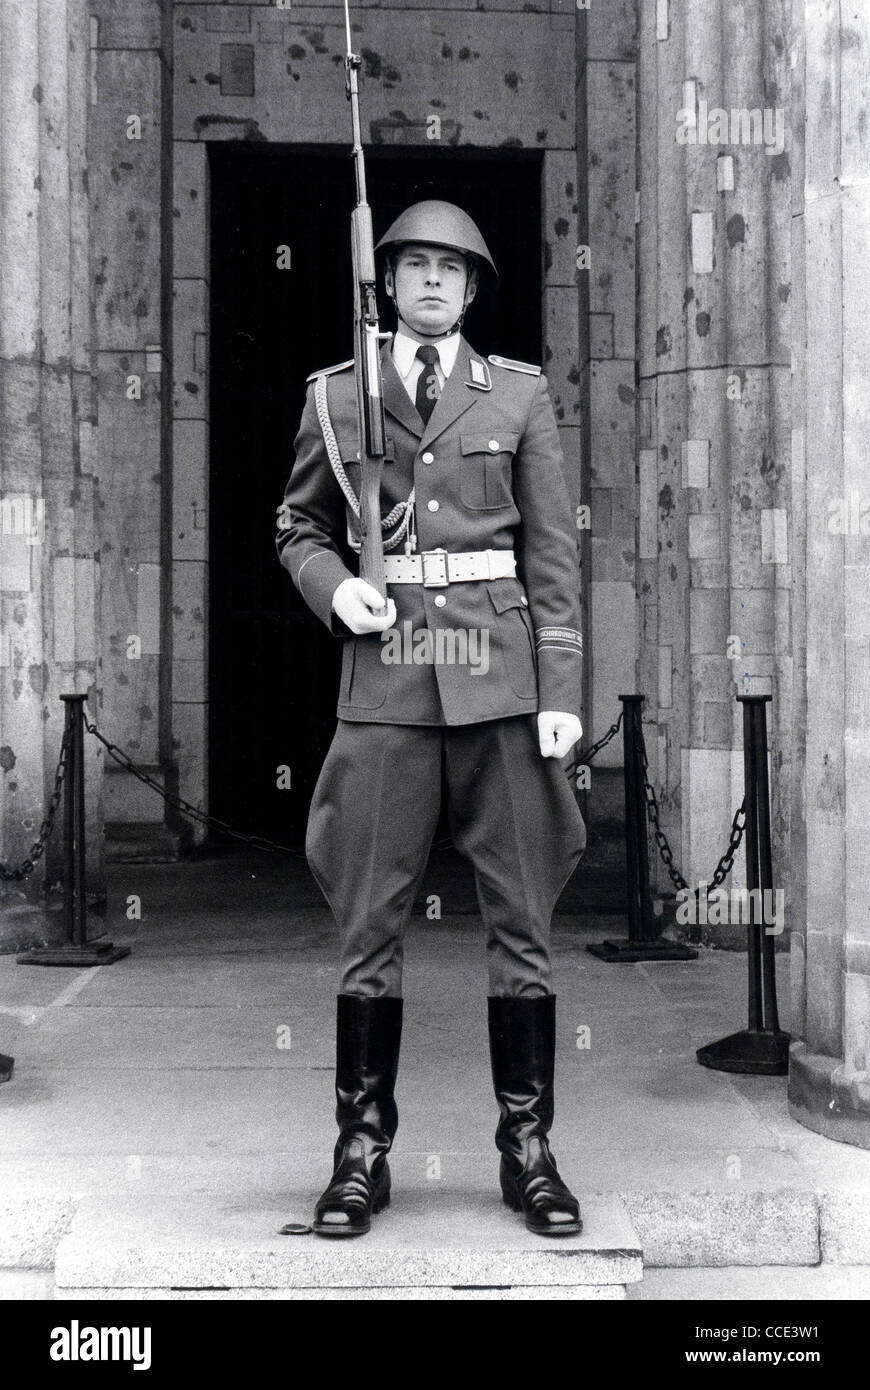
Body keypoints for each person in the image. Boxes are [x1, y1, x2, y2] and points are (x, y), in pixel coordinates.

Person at [276, 200, 586, 1238]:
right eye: (413, 264)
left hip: (499, 680)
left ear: (474, 286)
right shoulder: (338, 393)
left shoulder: (522, 396)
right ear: (389, 279)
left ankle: (529, 1152)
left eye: (452, 268)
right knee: (370, 919)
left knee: (522, 918)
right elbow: (297, 523)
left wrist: (564, 696)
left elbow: (552, 558)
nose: (433, 282)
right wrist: (331, 587)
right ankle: (360, 1152)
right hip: (392, 676)